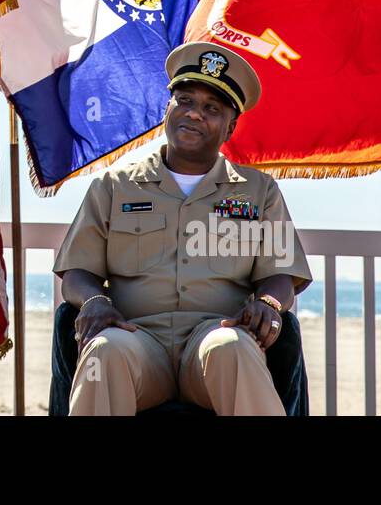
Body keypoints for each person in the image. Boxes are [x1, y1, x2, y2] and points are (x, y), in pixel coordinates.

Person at [54, 41, 312, 415]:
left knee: (233, 347)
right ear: (167, 109)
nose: (194, 114)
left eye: (211, 109)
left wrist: (269, 304)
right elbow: (77, 271)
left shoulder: (259, 191)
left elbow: (281, 276)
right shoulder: (115, 185)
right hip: (137, 341)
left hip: (213, 338)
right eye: (185, 101)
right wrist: (94, 300)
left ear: (230, 127)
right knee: (104, 352)